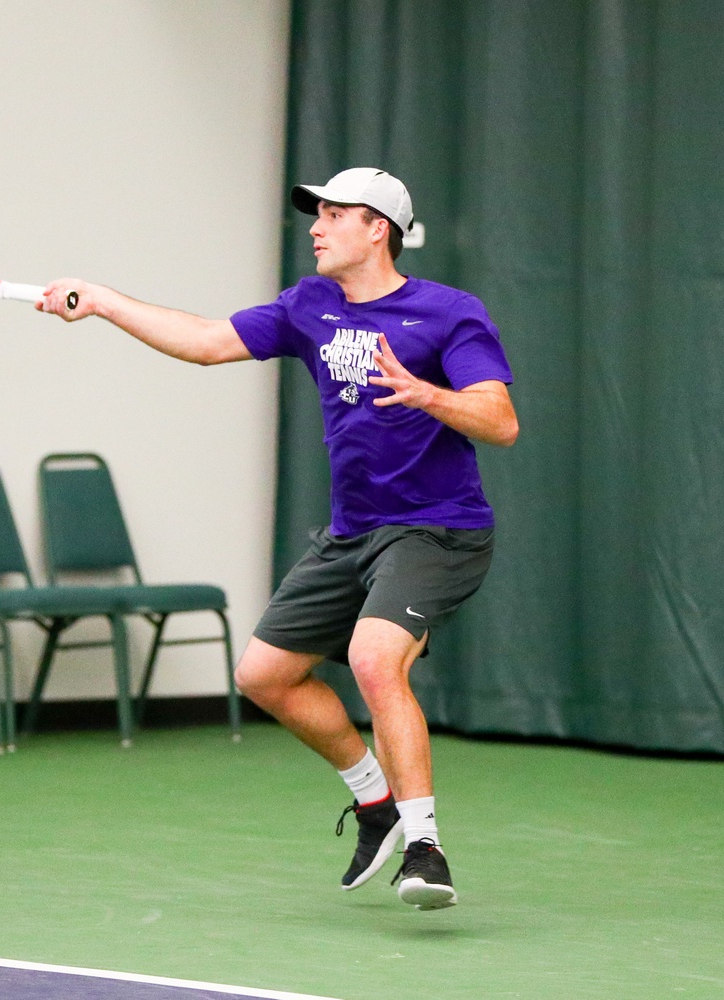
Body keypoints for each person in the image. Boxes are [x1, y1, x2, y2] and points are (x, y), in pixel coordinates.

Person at [36, 167, 517, 910]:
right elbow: (203, 342)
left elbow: (501, 420)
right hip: (352, 534)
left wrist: (427, 394)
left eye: (334, 214)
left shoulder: (447, 314)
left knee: (371, 658)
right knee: (263, 676)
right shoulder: (310, 305)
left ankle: (424, 845)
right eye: (316, 213)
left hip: (437, 531)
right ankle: (374, 803)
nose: (317, 227)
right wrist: (101, 301)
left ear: (377, 229)